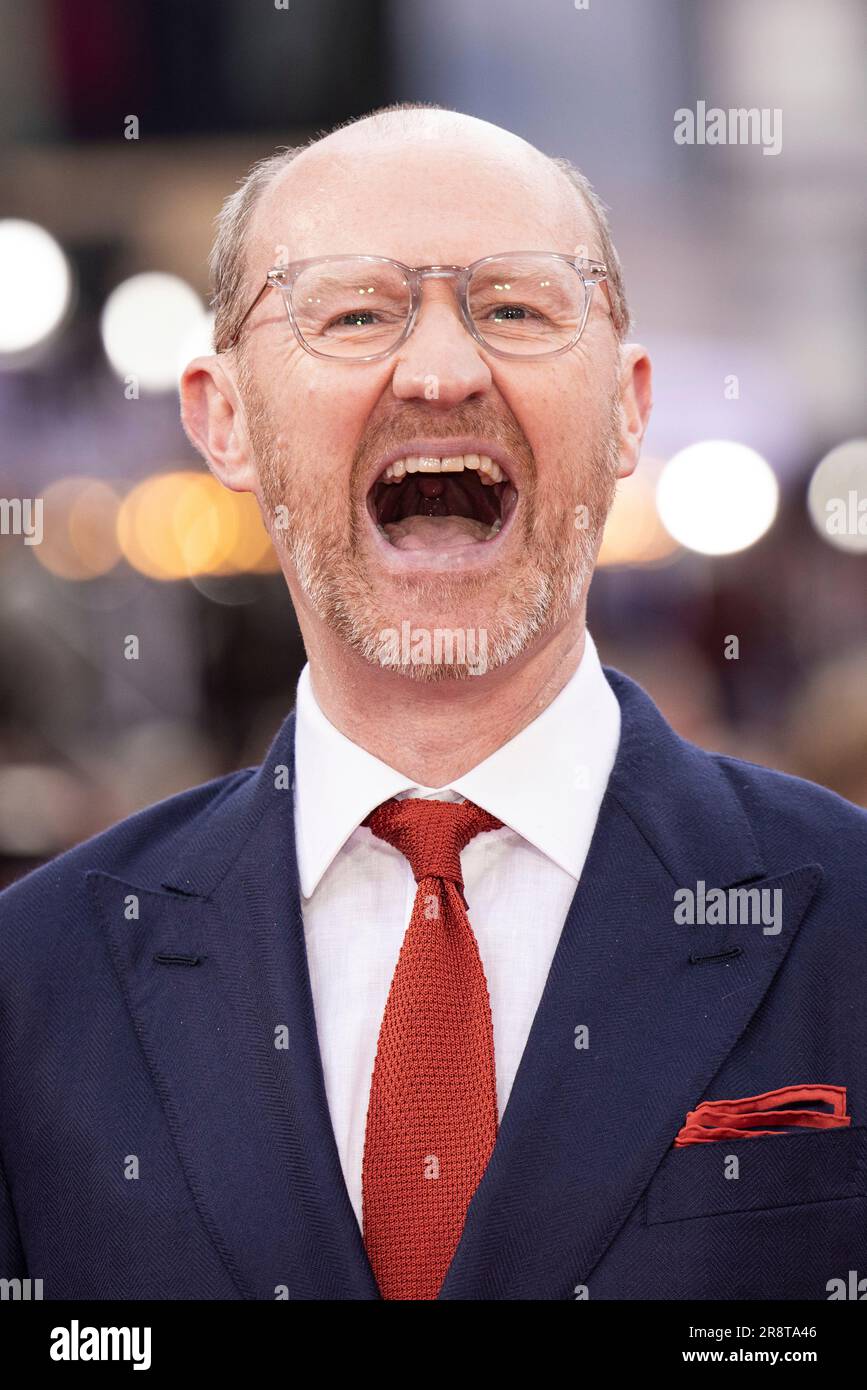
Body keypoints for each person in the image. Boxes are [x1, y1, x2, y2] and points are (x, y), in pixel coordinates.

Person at [1, 104, 865, 1302]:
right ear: (223, 415)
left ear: (627, 409)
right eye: (353, 312)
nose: (445, 370)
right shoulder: (34, 985)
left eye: (516, 307)